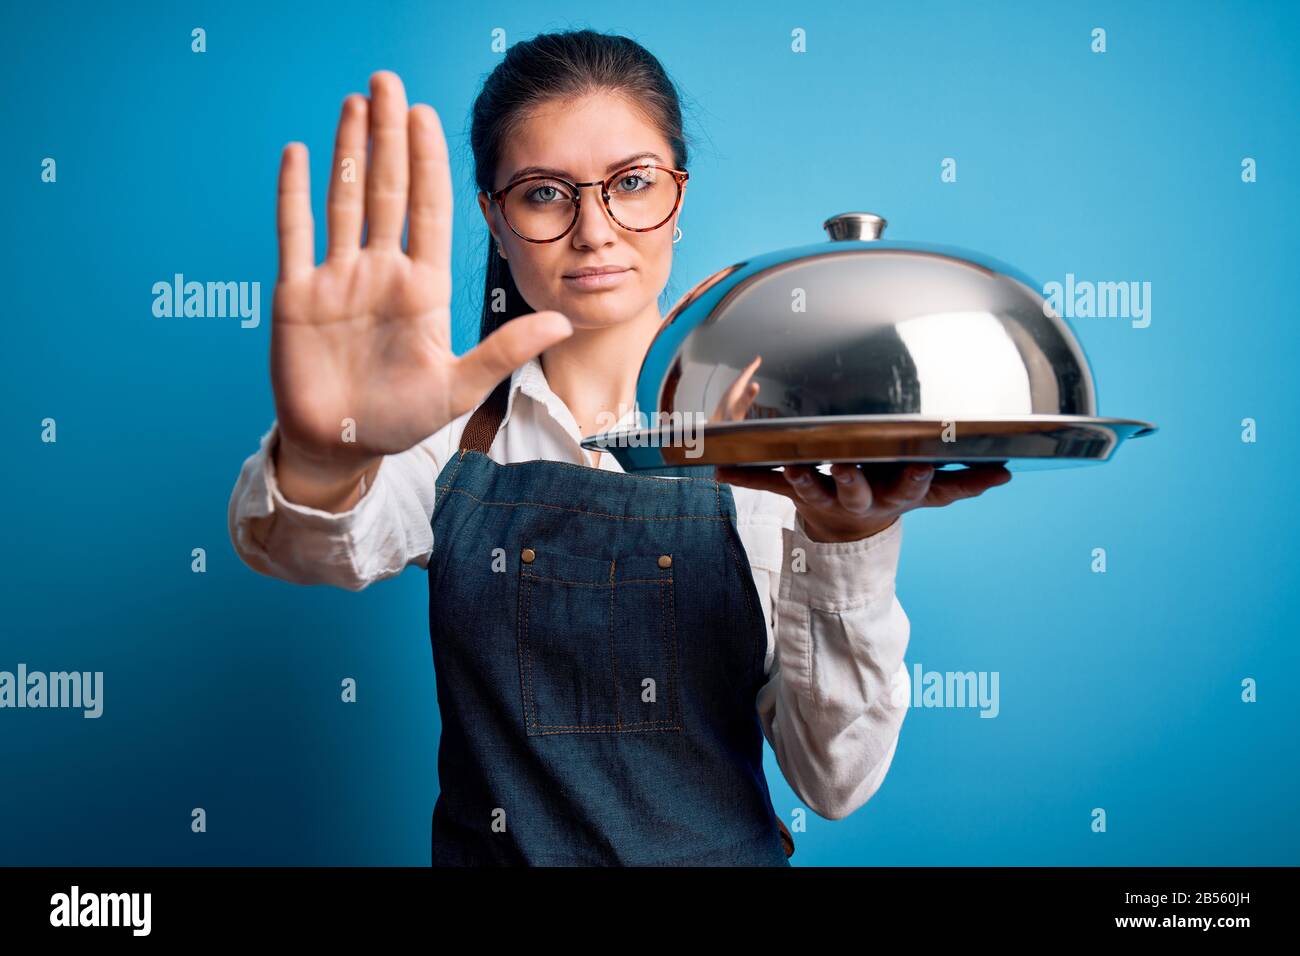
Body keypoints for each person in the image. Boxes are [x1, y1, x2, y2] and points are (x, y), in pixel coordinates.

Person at [227, 29, 1011, 866]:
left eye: (631, 183)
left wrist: (849, 545)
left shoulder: (775, 450)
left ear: (680, 197)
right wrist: (329, 450)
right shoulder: (446, 436)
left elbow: (835, 783)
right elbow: (307, 548)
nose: (594, 230)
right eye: (544, 194)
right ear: (494, 219)